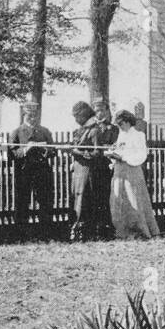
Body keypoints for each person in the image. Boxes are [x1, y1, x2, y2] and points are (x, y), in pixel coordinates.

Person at [104, 110, 160, 240]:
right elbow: (119, 151)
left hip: (132, 171)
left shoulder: (138, 135)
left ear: (128, 122)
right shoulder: (121, 135)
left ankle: (140, 231)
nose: (120, 127)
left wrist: (123, 157)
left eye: (121, 123)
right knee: (118, 201)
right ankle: (123, 231)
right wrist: (112, 154)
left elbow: (141, 155)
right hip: (119, 171)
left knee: (134, 201)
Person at [9, 101, 56, 241]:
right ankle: (21, 235)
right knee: (22, 202)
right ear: (24, 114)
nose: (33, 118)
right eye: (30, 115)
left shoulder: (45, 131)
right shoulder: (17, 132)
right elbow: (11, 152)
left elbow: (53, 150)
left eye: (35, 115)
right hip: (24, 172)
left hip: (42, 171)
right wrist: (25, 149)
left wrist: (46, 151)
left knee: (45, 201)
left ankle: (45, 234)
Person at [69, 99, 115, 241]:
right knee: (77, 199)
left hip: (88, 171)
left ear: (84, 116)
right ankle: (77, 230)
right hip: (79, 170)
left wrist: (79, 152)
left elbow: (97, 153)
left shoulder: (94, 130)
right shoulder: (80, 130)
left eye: (77, 117)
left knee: (85, 201)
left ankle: (85, 231)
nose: (76, 120)